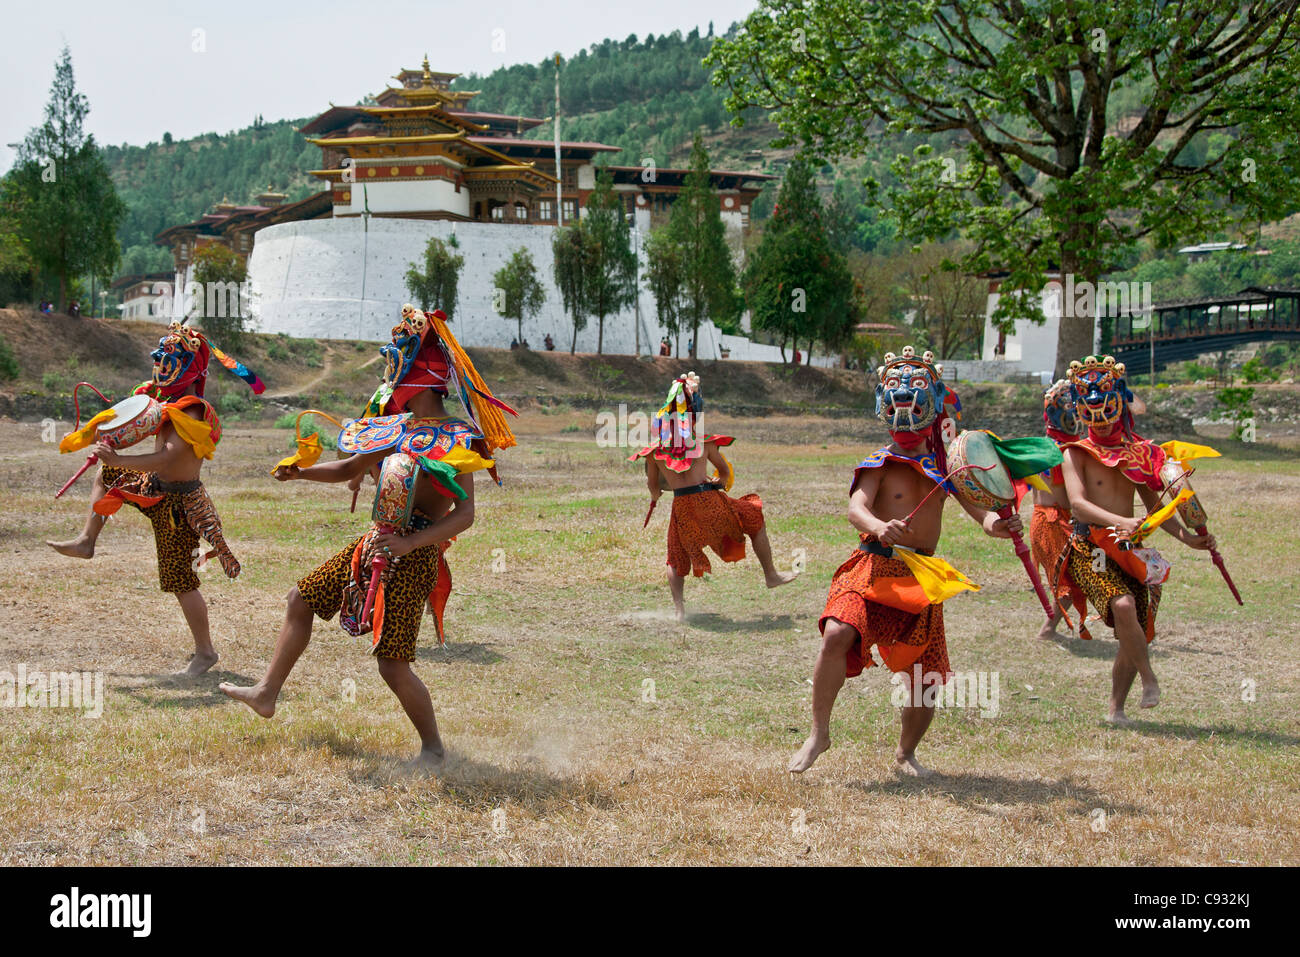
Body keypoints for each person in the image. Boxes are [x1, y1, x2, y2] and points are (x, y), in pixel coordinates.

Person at [221, 304, 518, 766]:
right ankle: (266, 692)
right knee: (301, 600)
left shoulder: (458, 437)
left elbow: (466, 514)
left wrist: (411, 543)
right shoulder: (395, 428)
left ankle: (434, 749)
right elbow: (350, 468)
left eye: (395, 367)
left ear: (416, 377)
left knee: (392, 663)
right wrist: (300, 473)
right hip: (375, 540)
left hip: (414, 553)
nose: (388, 379)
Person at [789, 347, 1023, 777]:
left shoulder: (947, 466)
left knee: (924, 681)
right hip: (872, 567)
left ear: (931, 406)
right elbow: (856, 509)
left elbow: (980, 512)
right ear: (884, 406)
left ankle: (906, 752)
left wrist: (996, 525)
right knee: (836, 633)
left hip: (920, 578)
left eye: (915, 401)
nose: (906, 413)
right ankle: (819, 733)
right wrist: (878, 527)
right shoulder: (878, 463)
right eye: (896, 399)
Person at [47, 321, 264, 675]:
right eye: (161, 356)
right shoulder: (161, 400)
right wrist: (108, 445)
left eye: (171, 357)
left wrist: (120, 459)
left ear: (190, 367)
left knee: (181, 582)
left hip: (180, 505)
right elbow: (132, 427)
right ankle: (87, 540)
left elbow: (167, 457)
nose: (161, 363)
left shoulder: (192, 408)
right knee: (108, 475)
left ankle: (205, 652)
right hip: (153, 489)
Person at [1054, 355, 1215, 725]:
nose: (1096, 406)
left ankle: (1116, 709)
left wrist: (1188, 538)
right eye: (1086, 400)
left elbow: (1154, 507)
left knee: (1135, 627)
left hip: (1129, 547)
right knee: (1123, 607)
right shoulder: (1075, 452)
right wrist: (1121, 520)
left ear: (1118, 400)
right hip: (1089, 547)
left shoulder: (1139, 452)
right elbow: (1078, 505)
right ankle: (1149, 679)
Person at [630, 372, 797, 621]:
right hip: (709, 501)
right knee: (753, 517)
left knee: (675, 556)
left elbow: (654, 487)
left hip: (682, 505)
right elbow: (724, 471)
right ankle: (771, 575)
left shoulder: (656, 451)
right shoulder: (704, 442)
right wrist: (718, 480)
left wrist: (658, 492)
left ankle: (679, 611)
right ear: (696, 413)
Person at [1029, 379, 1080, 640]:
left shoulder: (1042, 446)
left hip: (1047, 520)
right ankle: (1048, 629)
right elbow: (1070, 496)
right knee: (1070, 585)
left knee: (1071, 581)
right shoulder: (1061, 450)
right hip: (1052, 522)